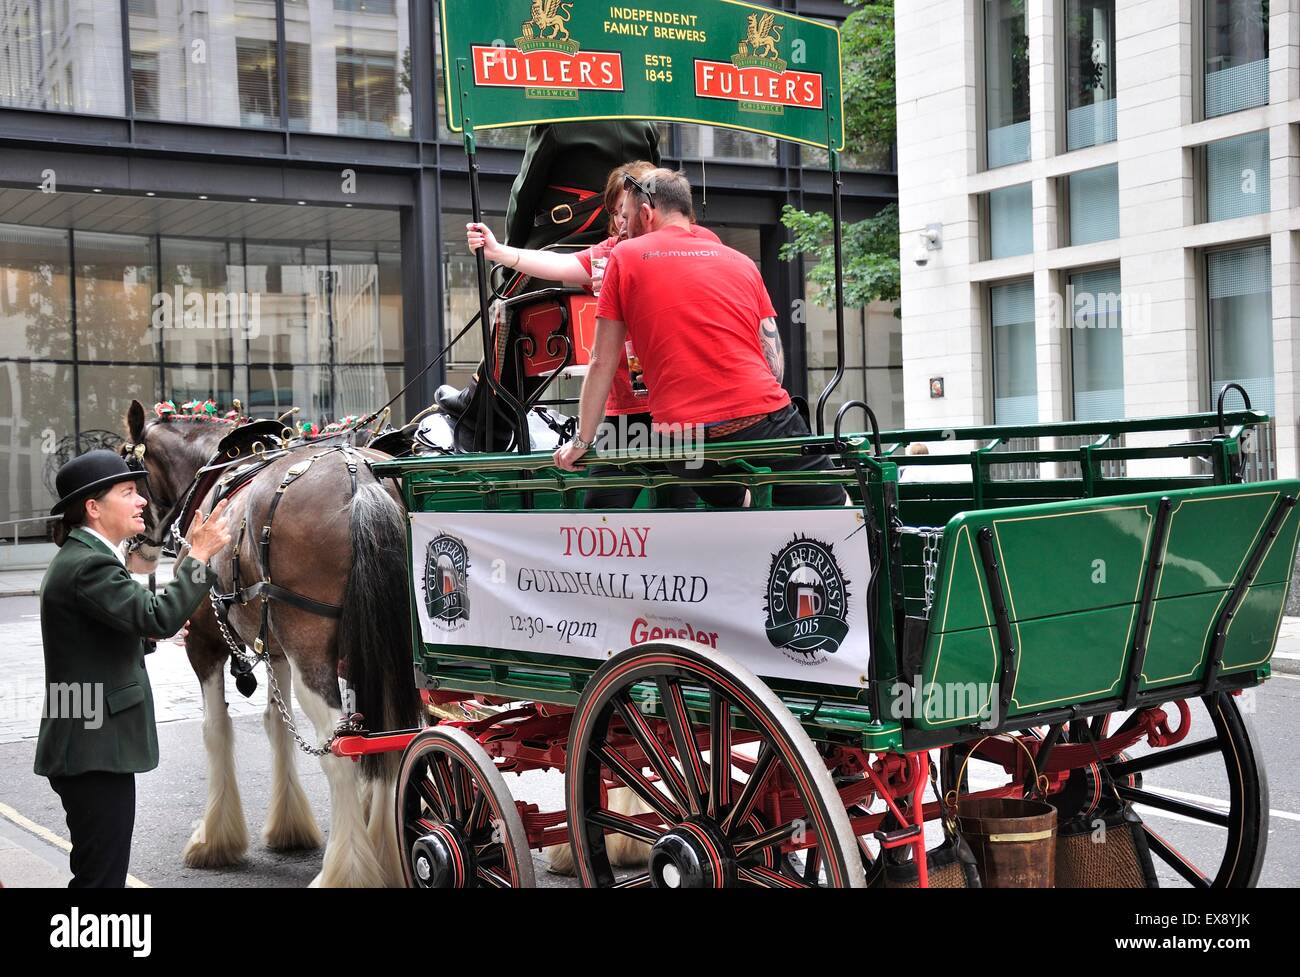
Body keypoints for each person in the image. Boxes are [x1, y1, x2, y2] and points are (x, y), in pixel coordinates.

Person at [552, 168, 846, 508]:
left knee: (723, 492)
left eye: (628, 217)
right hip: (761, 420)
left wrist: (581, 441)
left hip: (680, 439)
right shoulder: (741, 261)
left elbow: (601, 362)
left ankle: (741, 506)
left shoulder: (624, 256)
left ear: (646, 214)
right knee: (837, 503)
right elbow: (772, 356)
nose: (624, 228)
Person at [36, 449, 232, 887]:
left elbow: (96, 634)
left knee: (97, 872)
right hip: (93, 751)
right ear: (93, 507)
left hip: (85, 739)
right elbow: (158, 615)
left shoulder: (83, 556)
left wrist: (141, 635)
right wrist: (197, 556)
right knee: (100, 881)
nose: (142, 499)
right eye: (127, 492)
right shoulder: (89, 564)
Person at [469, 161, 708, 509]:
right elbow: (561, 265)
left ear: (647, 211)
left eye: (625, 212)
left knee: (683, 510)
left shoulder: (686, 248)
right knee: (602, 510)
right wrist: (499, 252)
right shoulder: (611, 252)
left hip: (677, 409)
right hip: (624, 408)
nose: (620, 222)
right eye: (614, 213)